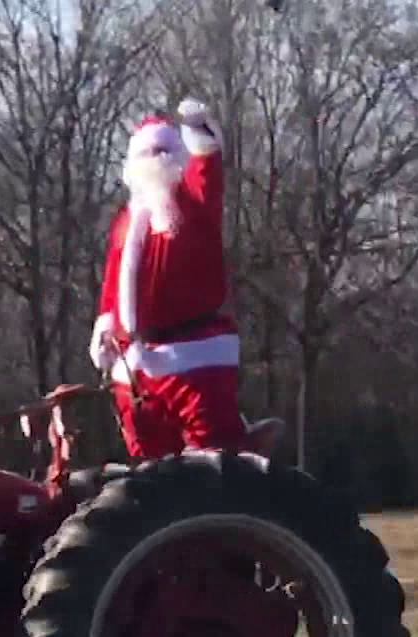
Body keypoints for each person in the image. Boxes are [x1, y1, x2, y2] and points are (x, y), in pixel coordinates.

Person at [87, 99, 279, 458]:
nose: (155, 160)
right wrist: (106, 322)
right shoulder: (126, 222)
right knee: (148, 457)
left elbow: (207, 171)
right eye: (147, 153)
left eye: (163, 152)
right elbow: (115, 276)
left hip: (194, 356)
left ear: (177, 157)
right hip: (137, 365)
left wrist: (198, 131)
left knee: (214, 452)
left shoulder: (193, 204)